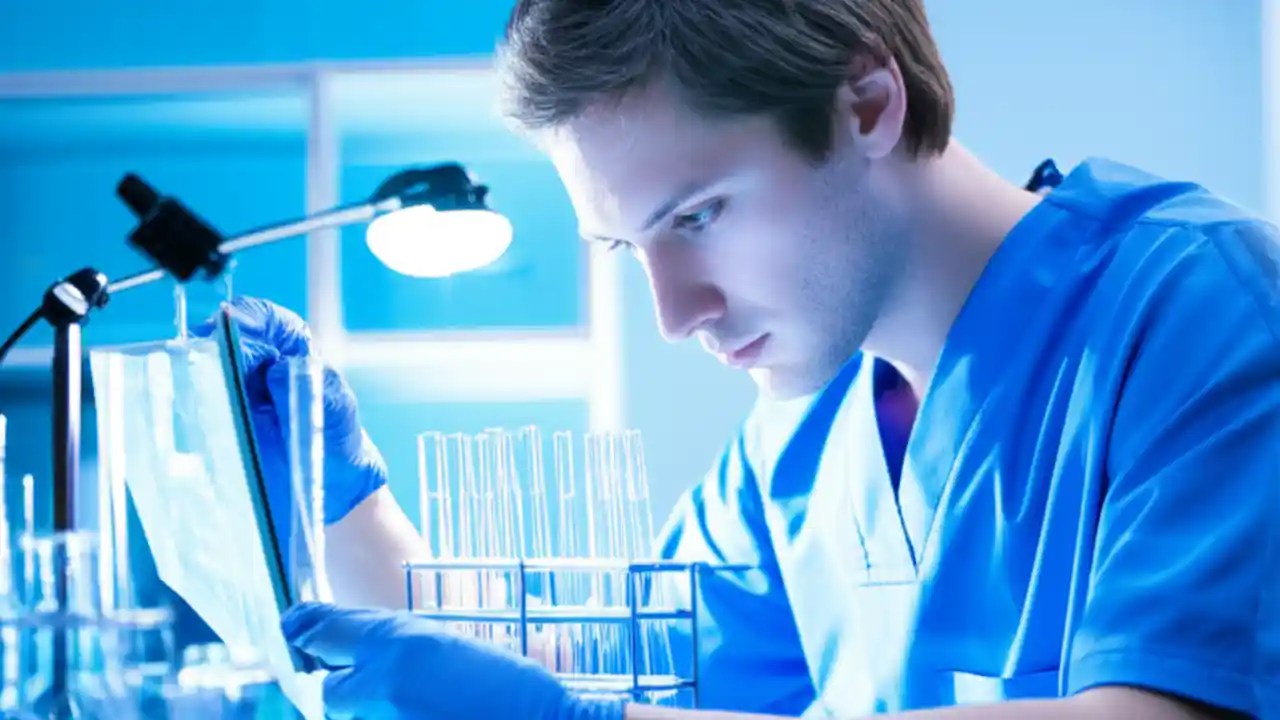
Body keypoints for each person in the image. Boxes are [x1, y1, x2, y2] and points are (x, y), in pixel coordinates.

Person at [210, 0, 1280, 718]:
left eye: (698, 216)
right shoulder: (799, 441)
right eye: (629, 249)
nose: (673, 314)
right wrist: (341, 509)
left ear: (865, 103)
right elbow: (570, 677)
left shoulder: (1197, 308)